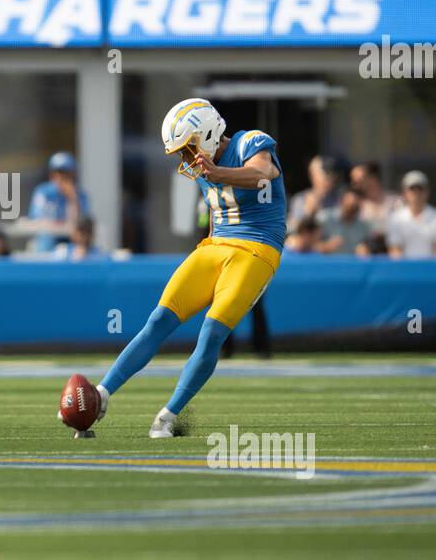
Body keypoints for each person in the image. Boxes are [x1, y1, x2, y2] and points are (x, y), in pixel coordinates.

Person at [79, 99, 285, 438]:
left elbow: (264, 173)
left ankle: (169, 416)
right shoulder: (204, 169)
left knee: (211, 333)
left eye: (187, 148)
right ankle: (102, 394)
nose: (184, 158)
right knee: (159, 319)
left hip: (258, 247)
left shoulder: (250, 141)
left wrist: (219, 173)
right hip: (216, 244)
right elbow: (218, 215)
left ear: (206, 133)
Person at [28, 151, 90, 253]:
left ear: (73, 174)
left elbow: (84, 223)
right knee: (46, 242)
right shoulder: (43, 192)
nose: (60, 177)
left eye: (65, 173)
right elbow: (36, 218)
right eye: (56, 173)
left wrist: (73, 199)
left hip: (71, 241)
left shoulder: (81, 196)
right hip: (48, 241)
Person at [386, 170, 436, 259]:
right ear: (404, 193)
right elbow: (395, 250)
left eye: (420, 189)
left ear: (427, 192)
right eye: (412, 189)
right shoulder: (395, 218)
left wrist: (431, 270)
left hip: (431, 270)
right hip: (404, 270)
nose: (417, 194)